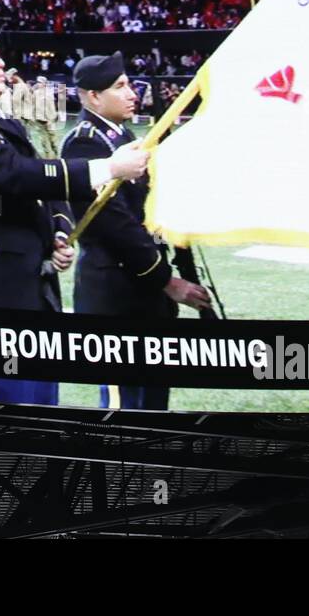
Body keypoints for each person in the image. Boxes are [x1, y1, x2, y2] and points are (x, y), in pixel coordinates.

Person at [0, 22, 149, 404]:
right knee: (5, 426)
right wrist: (106, 169)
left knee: (41, 416)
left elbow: (40, 189)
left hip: (30, 293)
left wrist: (57, 234)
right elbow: (15, 176)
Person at [61, 51, 212, 409]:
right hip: (115, 295)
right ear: (93, 96)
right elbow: (114, 224)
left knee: (154, 402)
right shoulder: (85, 143)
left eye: (129, 84)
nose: (132, 93)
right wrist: (167, 280)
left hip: (145, 295)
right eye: (120, 86)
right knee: (123, 405)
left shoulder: (124, 135)